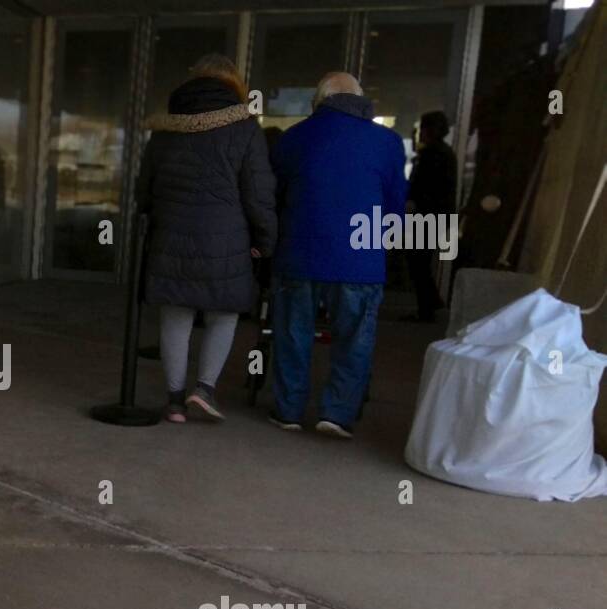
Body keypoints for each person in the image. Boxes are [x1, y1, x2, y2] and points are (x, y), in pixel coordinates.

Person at [136, 54, 276, 423]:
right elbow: (258, 194)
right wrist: (266, 240)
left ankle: (174, 401)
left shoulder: (165, 130)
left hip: (171, 236)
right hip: (226, 241)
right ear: (235, 86)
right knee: (223, 315)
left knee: (175, 316)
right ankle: (205, 389)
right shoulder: (246, 128)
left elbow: (144, 192)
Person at [268, 72, 406, 439]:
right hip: (359, 259)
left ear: (319, 101)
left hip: (299, 252)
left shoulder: (293, 138)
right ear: (360, 99)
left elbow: (275, 199)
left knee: (292, 335)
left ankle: (288, 410)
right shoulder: (388, 142)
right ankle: (337, 413)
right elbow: (395, 208)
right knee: (354, 339)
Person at [402, 110, 456, 322]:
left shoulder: (433, 155)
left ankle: (428, 305)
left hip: (427, 217)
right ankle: (429, 304)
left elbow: (422, 187)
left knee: (418, 262)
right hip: (435, 217)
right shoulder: (442, 153)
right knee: (420, 262)